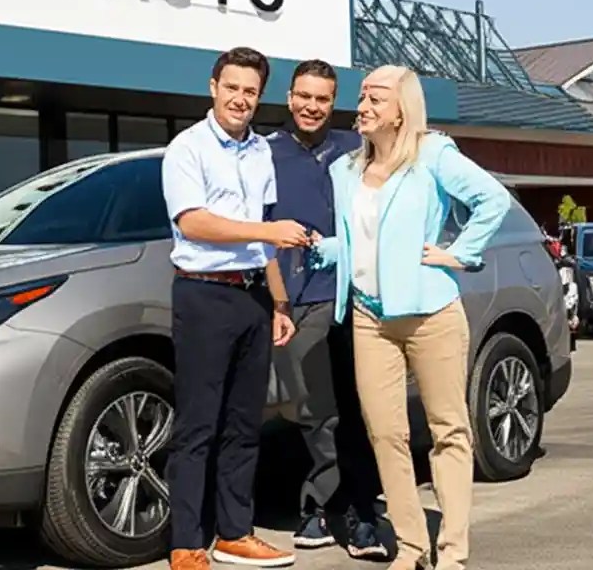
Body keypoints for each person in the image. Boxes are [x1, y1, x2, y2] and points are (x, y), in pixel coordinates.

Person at [305, 65, 510, 570]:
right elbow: (360, 240)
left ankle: (453, 552)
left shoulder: (433, 155)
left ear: (402, 110)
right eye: (363, 97)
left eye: (376, 98)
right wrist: (322, 249)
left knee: (448, 431)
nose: (364, 107)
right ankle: (413, 548)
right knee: (385, 435)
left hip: (431, 314)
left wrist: (459, 253)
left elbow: (493, 199)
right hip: (369, 316)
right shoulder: (345, 170)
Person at [161, 46, 306, 570]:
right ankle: (185, 541)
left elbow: (262, 246)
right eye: (232, 88)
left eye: (250, 91)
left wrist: (279, 301)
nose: (240, 99)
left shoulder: (260, 153)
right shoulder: (187, 149)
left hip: (252, 295)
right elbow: (194, 222)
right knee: (198, 423)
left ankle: (234, 533)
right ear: (213, 87)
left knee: (245, 422)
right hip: (203, 293)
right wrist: (266, 231)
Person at [264, 60, 387, 560]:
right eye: (304, 96)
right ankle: (320, 504)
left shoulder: (355, 152)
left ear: (333, 102)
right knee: (316, 412)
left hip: (358, 295)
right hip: (301, 299)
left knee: (360, 410)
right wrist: (280, 301)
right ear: (290, 97)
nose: (312, 107)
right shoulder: (266, 154)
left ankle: (360, 513)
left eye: (322, 99)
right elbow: (261, 236)